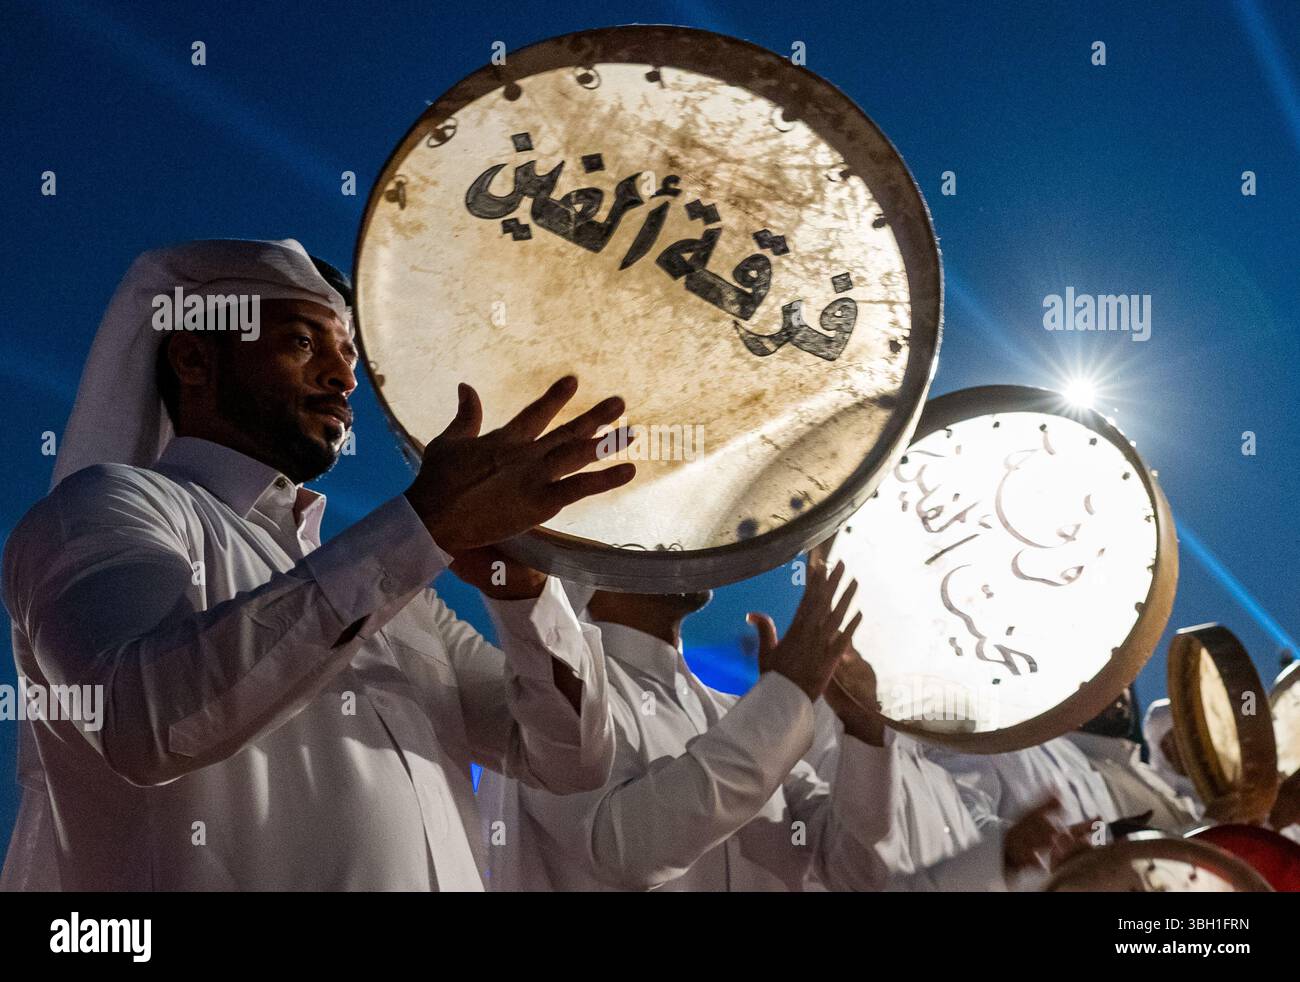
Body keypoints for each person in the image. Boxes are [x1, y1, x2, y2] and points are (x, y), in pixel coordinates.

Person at [0, 238, 632, 891]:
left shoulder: (401, 597)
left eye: (349, 354)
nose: (343, 377)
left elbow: (570, 759)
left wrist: (524, 590)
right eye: (304, 343)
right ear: (194, 357)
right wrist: (424, 525)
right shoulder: (107, 511)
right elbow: (142, 721)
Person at [479, 572, 1089, 891]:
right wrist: (787, 695)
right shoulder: (553, 703)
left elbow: (856, 871)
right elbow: (626, 849)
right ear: (599, 565)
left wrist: (863, 731)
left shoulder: (731, 712)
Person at [1064, 687, 1199, 833]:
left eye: (1121, 681)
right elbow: (1098, 843)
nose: (1119, 692)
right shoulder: (1070, 774)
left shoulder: (1143, 772)